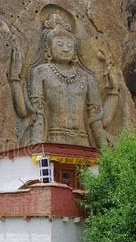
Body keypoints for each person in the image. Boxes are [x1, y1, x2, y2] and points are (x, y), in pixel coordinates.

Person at [9, 14, 108, 149]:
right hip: (52, 138)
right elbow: (35, 113)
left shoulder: (87, 77)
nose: (66, 49)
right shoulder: (41, 72)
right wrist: (14, 76)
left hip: (82, 140)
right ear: (48, 49)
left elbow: (95, 120)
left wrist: (107, 154)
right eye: (60, 44)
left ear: (75, 52)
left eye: (69, 45)